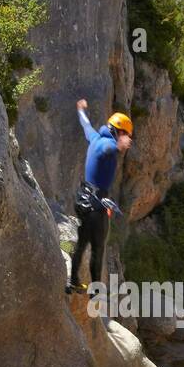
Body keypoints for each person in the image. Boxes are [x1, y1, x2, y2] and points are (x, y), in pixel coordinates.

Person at [66, 98, 133, 294]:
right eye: (126, 136)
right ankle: (96, 292)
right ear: (120, 132)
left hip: (83, 199)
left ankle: (73, 282)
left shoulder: (95, 137)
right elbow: (107, 149)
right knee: (98, 248)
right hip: (96, 205)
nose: (127, 140)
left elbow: (85, 125)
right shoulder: (107, 145)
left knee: (82, 242)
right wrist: (118, 146)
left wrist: (80, 110)